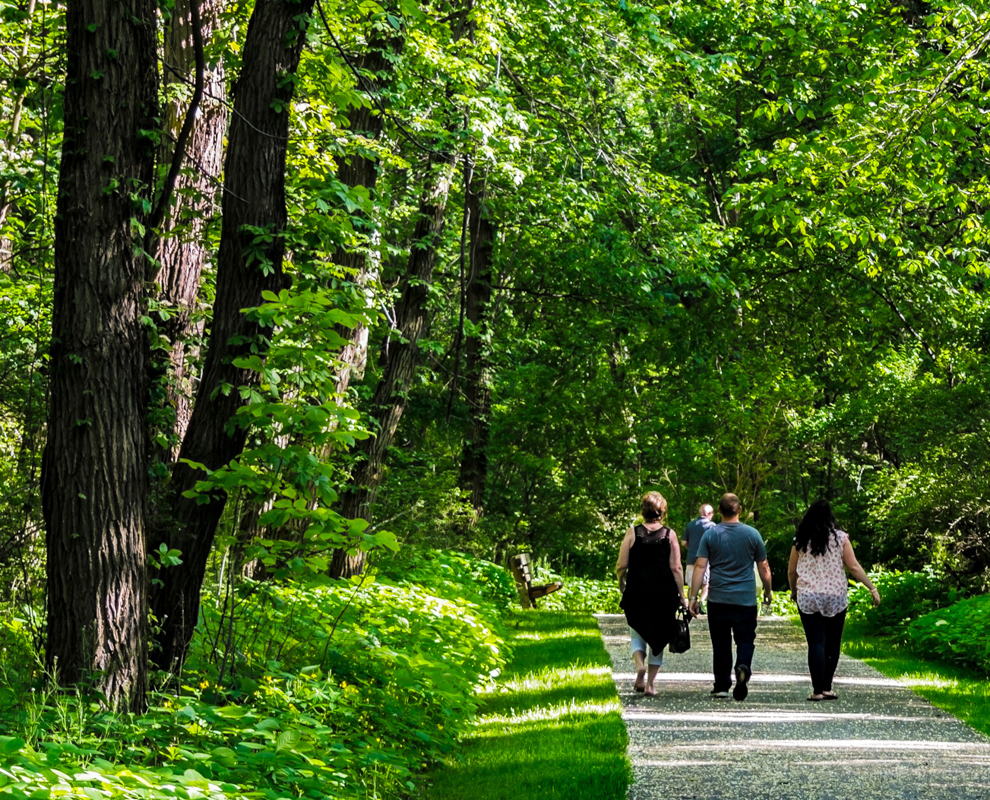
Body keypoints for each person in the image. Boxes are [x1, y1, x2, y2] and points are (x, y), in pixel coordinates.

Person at [787, 499, 881, 701]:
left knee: (816, 643)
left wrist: (794, 591)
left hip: (808, 596)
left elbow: (792, 571)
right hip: (836, 596)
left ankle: (817, 690)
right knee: (833, 643)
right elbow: (853, 567)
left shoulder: (801, 540)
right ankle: (827, 686)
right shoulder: (840, 539)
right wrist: (872, 588)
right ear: (831, 516)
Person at [688, 493, 772, 701]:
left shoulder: (711, 534)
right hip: (745, 600)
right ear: (739, 510)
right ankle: (743, 665)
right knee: (745, 638)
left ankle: (722, 685)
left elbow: (700, 565)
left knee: (721, 642)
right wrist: (768, 591)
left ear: (720, 511)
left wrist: (693, 597)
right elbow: (763, 566)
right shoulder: (752, 534)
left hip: (719, 598)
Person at [615, 491, 688, 697]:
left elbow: (621, 565)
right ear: (662, 512)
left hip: (638, 589)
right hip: (664, 591)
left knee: (637, 632)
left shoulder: (632, 533)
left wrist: (622, 583)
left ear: (643, 511)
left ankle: (639, 666)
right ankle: (651, 685)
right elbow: (676, 568)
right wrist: (682, 594)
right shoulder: (669, 534)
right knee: (660, 633)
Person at [682, 503, 714, 608]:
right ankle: (700, 603)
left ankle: (691, 604)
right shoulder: (712, 526)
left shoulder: (690, 525)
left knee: (691, 585)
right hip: (706, 560)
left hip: (691, 558)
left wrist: (691, 548)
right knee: (706, 584)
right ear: (708, 514)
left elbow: (683, 542)